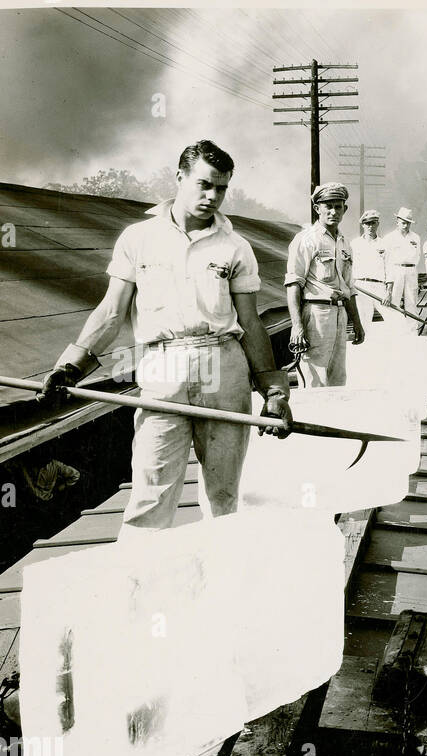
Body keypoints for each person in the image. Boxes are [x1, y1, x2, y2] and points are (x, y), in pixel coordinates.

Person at [38, 139, 292, 534]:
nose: (212, 197)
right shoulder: (138, 238)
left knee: (224, 497)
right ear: (180, 177)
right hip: (162, 367)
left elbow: (251, 323)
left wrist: (274, 393)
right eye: (204, 184)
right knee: (149, 495)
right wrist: (70, 367)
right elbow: (111, 312)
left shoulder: (236, 247)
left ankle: (220, 570)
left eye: (221, 188)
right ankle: (139, 571)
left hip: (223, 367)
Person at [285, 183, 364, 388]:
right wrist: (297, 326)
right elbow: (293, 284)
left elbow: (349, 288)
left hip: (340, 315)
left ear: (345, 209)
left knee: (338, 379)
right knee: (314, 380)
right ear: (317, 208)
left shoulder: (345, 243)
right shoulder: (306, 240)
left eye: (338, 207)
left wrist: (357, 322)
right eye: (328, 206)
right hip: (316, 314)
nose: (333, 212)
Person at [382, 206, 422, 333]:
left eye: (408, 223)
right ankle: (393, 331)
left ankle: (412, 332)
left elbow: (418, 256)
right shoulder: (389, 238)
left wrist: (412, 269)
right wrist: (388, 280)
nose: (405, 225)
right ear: (397, 222)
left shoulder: (416, 237)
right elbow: (386, 260)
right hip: (396, 270)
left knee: (412, 301)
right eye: (403, 222)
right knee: (393, 301)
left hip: (411, 271)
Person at [351, 209, 385, 326]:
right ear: (363, 225)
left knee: (393, 317)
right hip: (361, 286)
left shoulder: (384, 244)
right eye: (367, 223)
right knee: (364, 321)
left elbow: (390, 268)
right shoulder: (355, 244)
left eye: (373, 223)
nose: (370, 226)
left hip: (380, 286)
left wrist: (389, 291)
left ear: (378, 224)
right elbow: (349, 266)